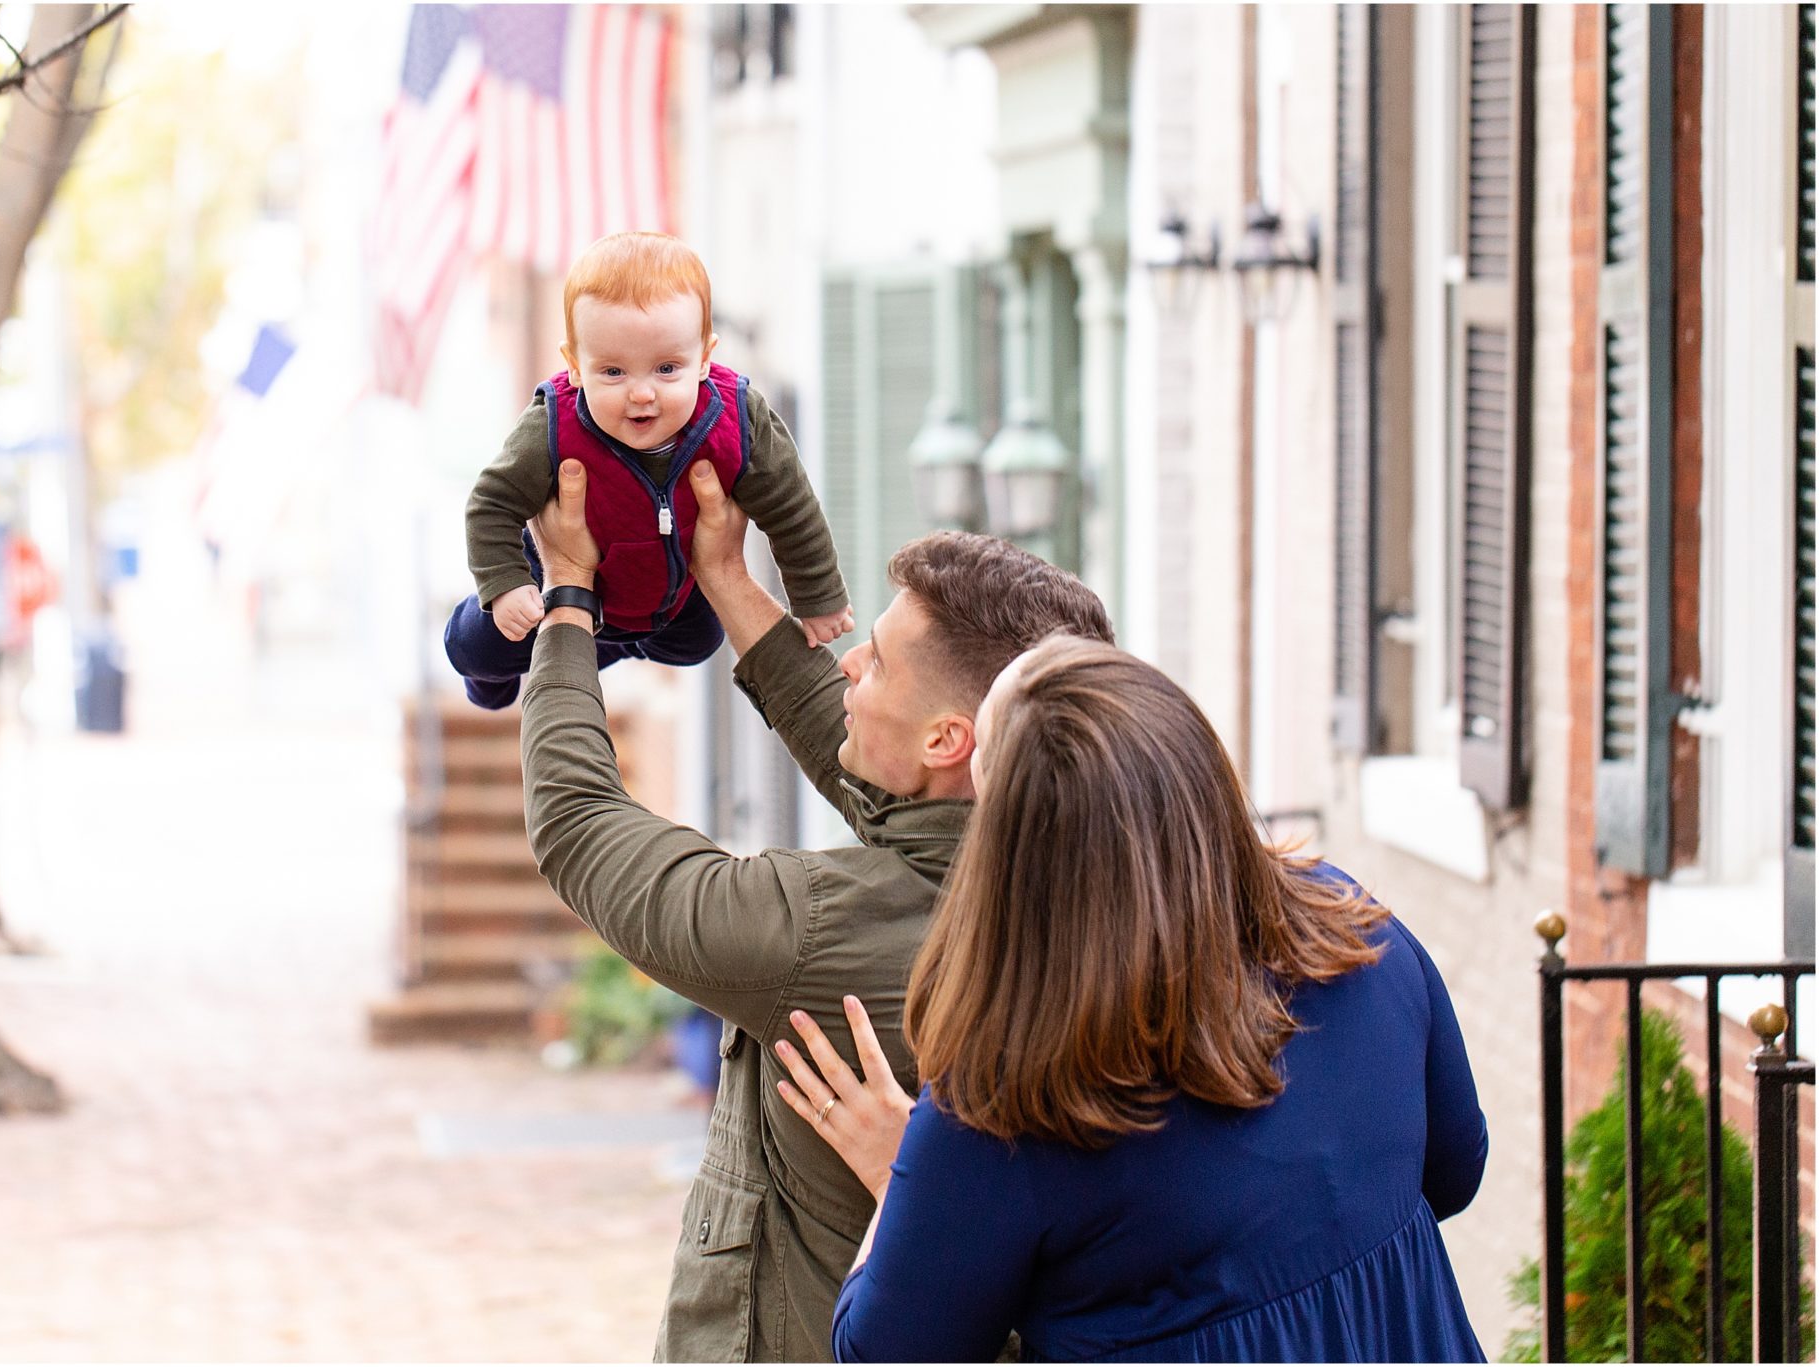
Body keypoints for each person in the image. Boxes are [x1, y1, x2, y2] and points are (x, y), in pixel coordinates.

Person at [515, 457, 1115, 1361]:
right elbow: (896, 787)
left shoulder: (828, 934)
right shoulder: (1080, 874)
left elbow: (577, 825)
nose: (850, 663)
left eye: (876, 660)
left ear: (952, 738)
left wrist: (565, 599)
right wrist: (726, 580)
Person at [776, 637, 1490, 1363]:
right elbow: (1455, 1169)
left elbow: (886, 1352)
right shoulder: (1358, 933)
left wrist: (905, 1183)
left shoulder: (1005, 1101)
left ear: (1007, 844)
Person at [445, 231, 853, 709]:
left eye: (666, 369)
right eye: (613, 372)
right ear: (575, 367)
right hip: (556, 586)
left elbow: (791, 507)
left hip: (669, 592)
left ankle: (608, 643)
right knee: (475, 647)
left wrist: (818, 595)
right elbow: (491, 502)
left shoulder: (736, 422)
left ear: (704, 358)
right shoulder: (553, 426)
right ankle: (498, 675)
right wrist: (507, 585)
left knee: (699, 642)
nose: (642, 393)